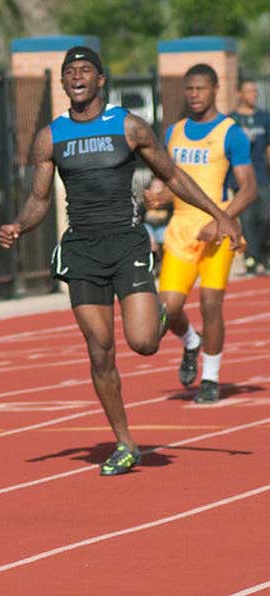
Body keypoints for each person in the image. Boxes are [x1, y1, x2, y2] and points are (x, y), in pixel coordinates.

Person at [0, 48, 243, 476]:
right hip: (81, 250)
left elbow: (173, 176)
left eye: (84, 71)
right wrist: (20, 225)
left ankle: (173, 325)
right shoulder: (50, 137)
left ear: (100, 79)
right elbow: (38, 199)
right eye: (69, 72)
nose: (76, 77)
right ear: (63, 83)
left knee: (144, 342)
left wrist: (220, 213)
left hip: (127, 244)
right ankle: (126, 442)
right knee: (100, 351)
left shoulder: (128, 126)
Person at [144, 64, 256, 404]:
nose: (194, 94)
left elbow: (249, 189)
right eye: (189, 89)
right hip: (180, 229)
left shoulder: (230, 132)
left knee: (211, 303)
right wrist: (157, 194)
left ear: (215, 89)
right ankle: (192, 342)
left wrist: (221, 218)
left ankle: (210, 377)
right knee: (168, 309)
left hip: (216, 231)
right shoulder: (173, 132)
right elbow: (169, 178)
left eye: (200, 88)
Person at [229, 78, 270, 274]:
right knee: (247, 220)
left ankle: (263, 254)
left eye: (255, 91)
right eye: (249, 91)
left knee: (264, 216)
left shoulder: (265, 117)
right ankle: (251, 259)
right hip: (241, 180)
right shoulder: (232, 120)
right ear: (239, 94)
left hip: (261, 176)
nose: (254, 95)